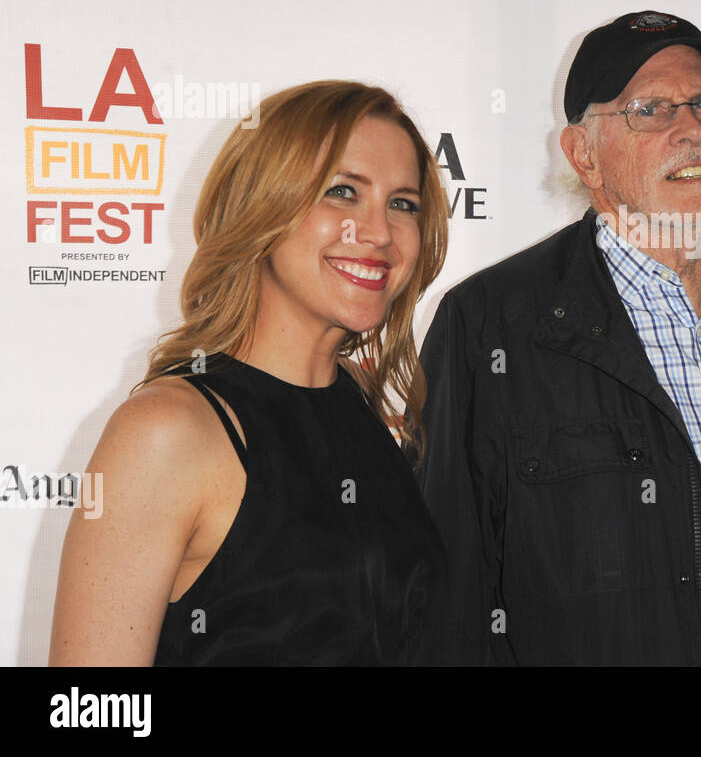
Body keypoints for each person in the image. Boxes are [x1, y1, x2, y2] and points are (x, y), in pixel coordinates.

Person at [418, 11, 701, 666]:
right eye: (650, 109)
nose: (692, 128)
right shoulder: (490, 327)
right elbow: (447, 608)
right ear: (584, 154)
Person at [49, 80, 456, 666]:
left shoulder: (370, 408)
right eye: (343, 192)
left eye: (403, 203)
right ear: (261, 208)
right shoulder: (168, 431)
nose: (378, 233)